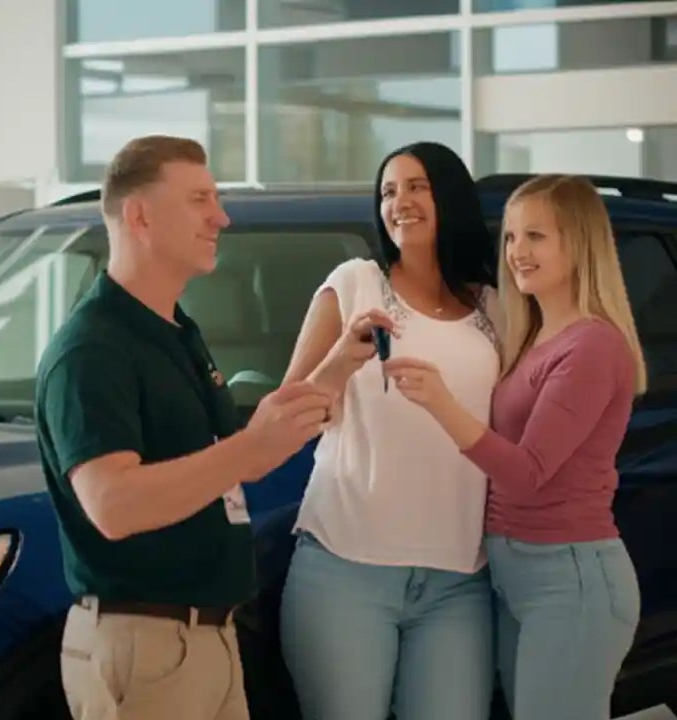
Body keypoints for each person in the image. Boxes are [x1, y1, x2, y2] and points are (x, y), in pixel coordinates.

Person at [34, 135, 334, 720]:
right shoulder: (93, 350)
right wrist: (250, 449)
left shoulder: (175, 332)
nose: (221, 218)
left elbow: (224, 460)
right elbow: (113, 505)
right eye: (200, 199)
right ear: (139, 216)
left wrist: (337, 368)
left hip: (207, 639)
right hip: (146, 645)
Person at [384, 174, 646, 720]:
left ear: (580, 243)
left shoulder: (592, 345)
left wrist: (439, 402)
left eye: (536, 237)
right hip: (517, 573)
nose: (517, 252)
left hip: (570, 578)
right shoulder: (534, 337)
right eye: (510, 237)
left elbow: (527, 473)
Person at [276, 141, 501, 720]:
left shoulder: (492, 306)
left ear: (449, 196)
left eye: (417, 186)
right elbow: (286, 417)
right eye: (388, 191)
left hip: (460, 576)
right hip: (345, 568)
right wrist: (341, 359)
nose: (400, 202)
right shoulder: (355, 283)